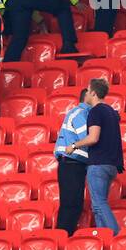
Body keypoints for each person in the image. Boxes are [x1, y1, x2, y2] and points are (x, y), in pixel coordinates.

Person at [65, 78, 123, 235]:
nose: (87, 94)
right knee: (96, 207)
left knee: (99, 204)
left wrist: (74, 145)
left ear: (94, 93)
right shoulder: (111, 111)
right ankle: (103, 238)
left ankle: (115, 234)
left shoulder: (95, 111)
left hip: (98, 164)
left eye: (89, 91)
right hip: (111, 164)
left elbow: (93, 138)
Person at [54, 89, 91, 234]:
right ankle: (62, 237)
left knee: (73, 203)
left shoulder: (83, 113)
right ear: (86, 97)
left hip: (74, 164)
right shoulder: (80, 113)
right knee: (71, 204)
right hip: (71, 163)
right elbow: (87, 138)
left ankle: (64, 237)